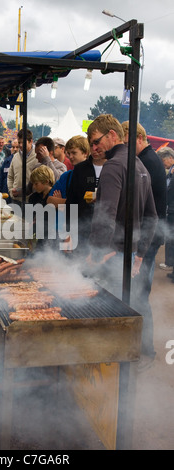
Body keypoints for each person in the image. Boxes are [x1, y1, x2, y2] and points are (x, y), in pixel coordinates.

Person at [86, 114, 158, 306]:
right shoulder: (139, 165)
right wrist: (140, 254)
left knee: (106, 312)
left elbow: (106, 216)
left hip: (112, 256)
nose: (93, 148)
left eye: (96, 142)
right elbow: (152, 217)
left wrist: (96, 253)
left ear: (111, 135)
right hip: (129, 254)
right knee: (125, 309)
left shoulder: (113, 166)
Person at [122, 121, 167, 360]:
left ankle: (146, 350)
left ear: (139, 138)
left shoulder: (146, 162)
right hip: (149, 237)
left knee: (140, 295)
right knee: (138, 294)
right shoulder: (148, 159)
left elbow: (145, 208)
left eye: (127, 142)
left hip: (147, 241)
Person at [7, 129, 38, 204]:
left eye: (23, 142)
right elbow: (10, 176)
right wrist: (11, 191)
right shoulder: (15, 157)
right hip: (16, 200)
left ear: (30, 141)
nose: (20, 145)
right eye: (19, 142)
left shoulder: (37, 157)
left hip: (31, 201)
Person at [28, 165, 55, 249]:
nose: (34, 187)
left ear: (46, 181)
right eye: (33, 184)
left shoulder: (55, 195)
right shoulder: (34, 197)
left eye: (36, 184)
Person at [157, 147, 174, 278]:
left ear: (169, 158)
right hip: (170, 208)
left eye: (163, 161)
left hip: (172, 209)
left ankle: (170, 263)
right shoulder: (171, 171)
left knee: (171, 237)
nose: (163, 165)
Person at [0, 138, 18, 203]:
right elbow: (1, 178)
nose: (15, 149)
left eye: (17, 147)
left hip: (17, 194)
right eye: (13, 147)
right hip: (6, 193)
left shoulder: (24, 162)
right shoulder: (7, 161)